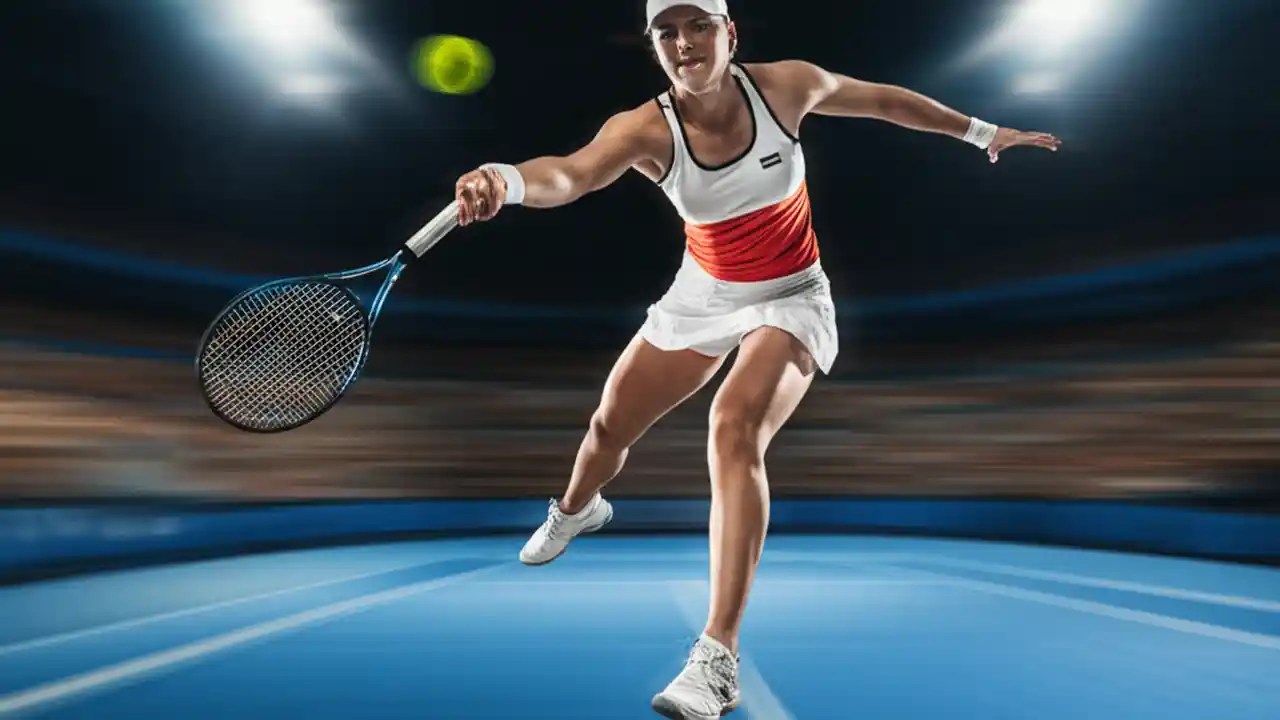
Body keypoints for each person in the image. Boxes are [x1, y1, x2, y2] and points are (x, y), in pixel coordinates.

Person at [452, 1, 1061, 717]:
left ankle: (717, 659)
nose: (684, 43)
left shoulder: (786, 87)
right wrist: (505, 179)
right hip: (703, 291)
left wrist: (984, 132)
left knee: (733, 427)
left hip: (792, 294)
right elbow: (572, 174)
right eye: (667, 32)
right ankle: (576, 510)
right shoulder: (644, 129)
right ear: (654, 47)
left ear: (730, 34)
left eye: (699, 26)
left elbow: (882, 101)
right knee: (608, 427)